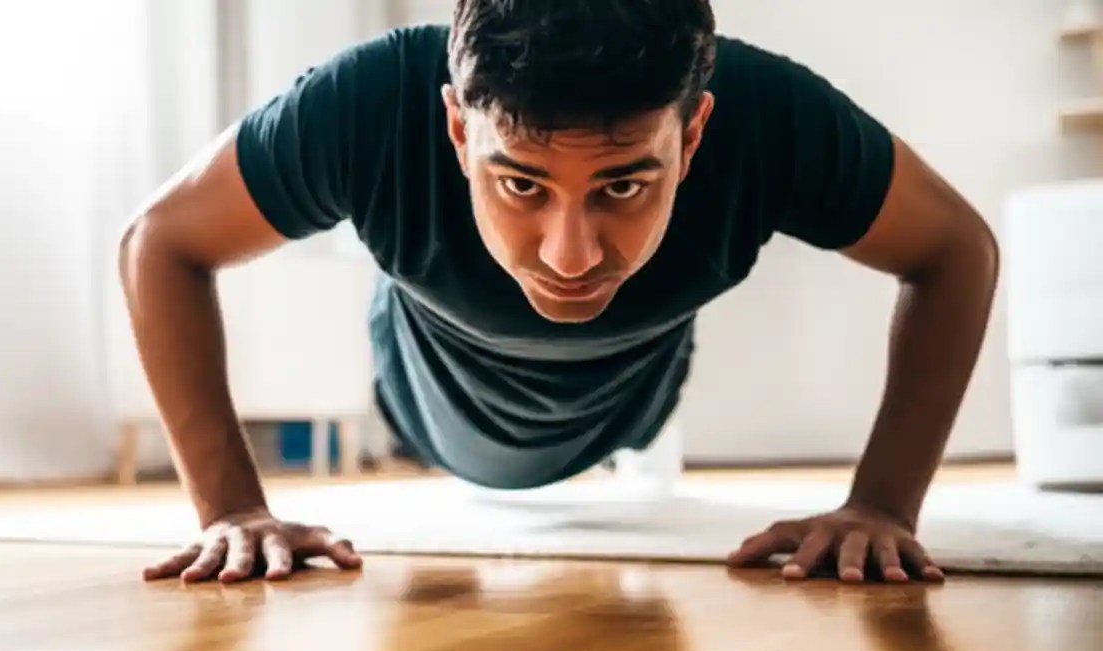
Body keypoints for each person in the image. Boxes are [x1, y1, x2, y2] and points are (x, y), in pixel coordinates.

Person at [119, 0, 997, 585]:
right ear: (459, 128)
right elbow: (159, 241)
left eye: (622, 186)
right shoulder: (367, 103)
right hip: (430, 394)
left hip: (638, 387)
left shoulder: (770, 112)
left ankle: (636, 427)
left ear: (693, 134)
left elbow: (956, 251)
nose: (570, 257)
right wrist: (231, 507)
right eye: (521, 185)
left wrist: (883, 502)